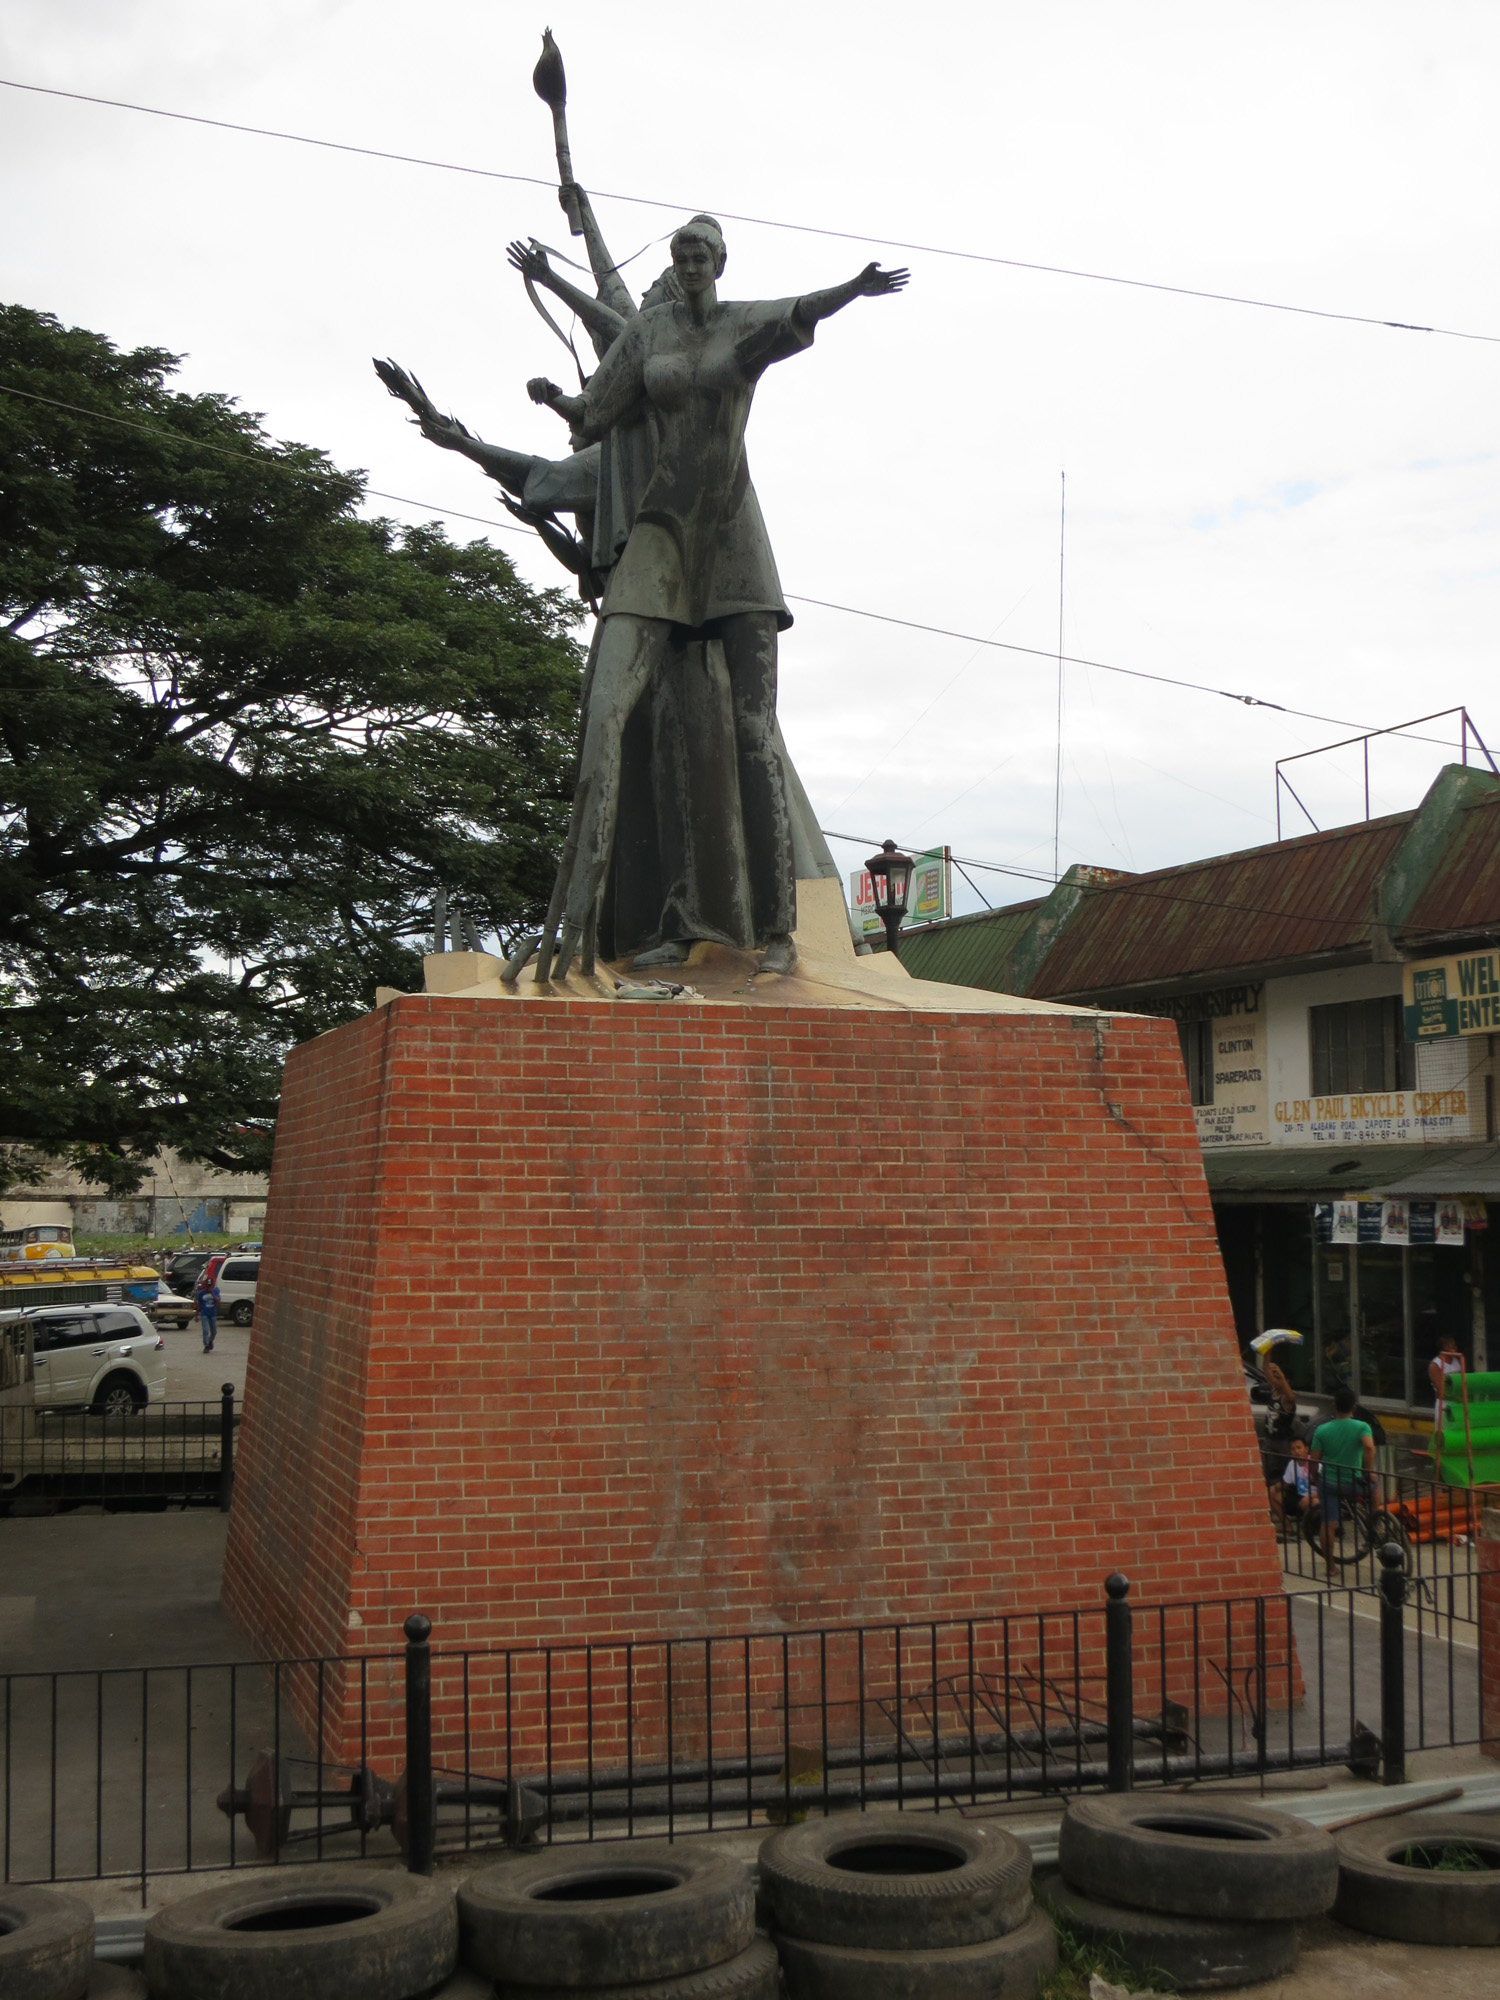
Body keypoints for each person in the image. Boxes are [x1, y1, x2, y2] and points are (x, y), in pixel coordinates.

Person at [528, 217, 908, 978]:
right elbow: (596, 411)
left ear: (721, 262)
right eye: (680, 253)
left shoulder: (742, 324)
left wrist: (855, 290)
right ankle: (660, 919)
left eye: (700, 253)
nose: (689, 262)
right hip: (665, 532)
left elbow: (802, 309)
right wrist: (553, 402)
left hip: (733, 541)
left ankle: (776, 930)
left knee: (751, 729)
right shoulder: (650, 330)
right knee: (652, 724)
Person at [1309, 1385, 1375, 1584]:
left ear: (1334, 1406)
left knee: (1328, 1524)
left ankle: (1331, 1567)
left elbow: (1314, 1460)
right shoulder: (1362, 1426)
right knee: (1374, 1488)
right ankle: (1375, 1521)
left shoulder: (1321, 1430)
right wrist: (1367, 1472)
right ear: (1353, 1406)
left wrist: (1314, 1477)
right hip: (1354, 1482)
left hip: (1330, 1482)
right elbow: (1369, 1448)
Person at [1271, 1437, 1319, 1535]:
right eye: (1293, 1449)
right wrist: (1274, 1488)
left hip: (1313, 1497)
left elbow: (1323, 1487)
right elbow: (1285, 1484)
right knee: (1271, 1494)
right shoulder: (1292, 1464)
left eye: (1299, 1447)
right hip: (1298, 1497)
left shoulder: (1314, 1464)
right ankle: (1287, 1526)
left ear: (1306, 1449)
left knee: (1316, 1502)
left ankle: (1310, 1529)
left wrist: (1310, 1496)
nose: (1296, 1451)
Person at [1429, 1331, 1465, 1452]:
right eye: (1452, 1346)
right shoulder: (1435, 1365)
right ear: (1445, 1348)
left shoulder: (1456, 1362)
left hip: (1457, 1403)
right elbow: (1441, 1389)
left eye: (1455, 1346)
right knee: (1442, 1432)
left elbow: (1462, 1381)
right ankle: (1440, 1455)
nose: (1455, 1349)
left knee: (1457, 1431)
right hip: (1444, 1403)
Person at [1259, 1340, 1299, 1439]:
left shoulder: (1287, 1398)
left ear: (1287, 1381)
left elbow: (1292, 1397)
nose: (1274, 1380)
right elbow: (1265, 1367)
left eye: (1277, 1378)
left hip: (1282, 1443)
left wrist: (1281, 1376)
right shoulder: (1274, 1390)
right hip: (1269, 1440)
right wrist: (1269, 1346)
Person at [196, 1273, 221, 1354]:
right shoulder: (201, 1293)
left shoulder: (215, 1291)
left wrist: (212, 1293)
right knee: (205, 1330)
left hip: (212, 1314)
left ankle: (210, 1341)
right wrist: (197, 1315)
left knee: (214, 1331)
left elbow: (218, 1300)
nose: (208, 1288)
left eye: (210, 1286)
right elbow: (199, 1304)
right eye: (207, 1286)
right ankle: (206, 1345)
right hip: (204, 1313)